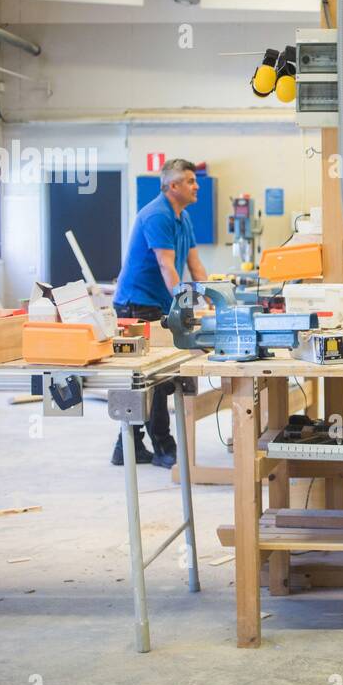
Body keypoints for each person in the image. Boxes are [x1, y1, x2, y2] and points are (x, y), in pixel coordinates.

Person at [111, 158, 208, 467]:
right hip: (135, 304)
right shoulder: (157, 215)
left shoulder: (183, 217)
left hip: (156, 302)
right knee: (152, 377)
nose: (197, 186)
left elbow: (194, 264)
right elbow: (167, 266)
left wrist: (217, 298)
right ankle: (162, 446)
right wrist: (185, 306)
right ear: (172, 186)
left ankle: (127, 447)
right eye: (191, 181)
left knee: (155, 377)